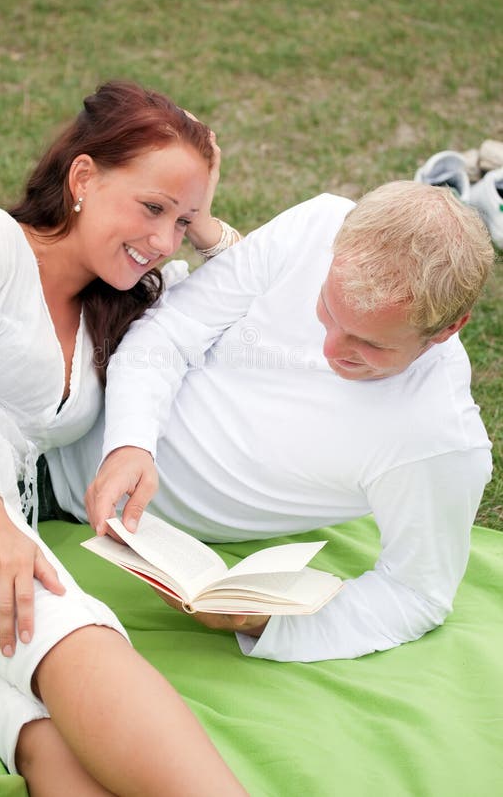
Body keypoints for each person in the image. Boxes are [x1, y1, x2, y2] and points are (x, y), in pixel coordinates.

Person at [0, 81, 246, 796]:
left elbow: (256, 291)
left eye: (180, 224)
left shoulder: (113, 303)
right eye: (151, 206)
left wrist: (201, 213)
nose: (162, 241)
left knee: (29, 723)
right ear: (83, 177)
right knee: (64, 628)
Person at [52, 180, 494, 663]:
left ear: (449, 328)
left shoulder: (440, 441)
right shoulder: (319, 226)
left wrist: (268, 621)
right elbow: (170, 330)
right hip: (66, 386)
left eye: (370, 345)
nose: (331, 351)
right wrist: (131, 442)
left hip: (70, 504)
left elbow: (416, 595)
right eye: (327, 309)